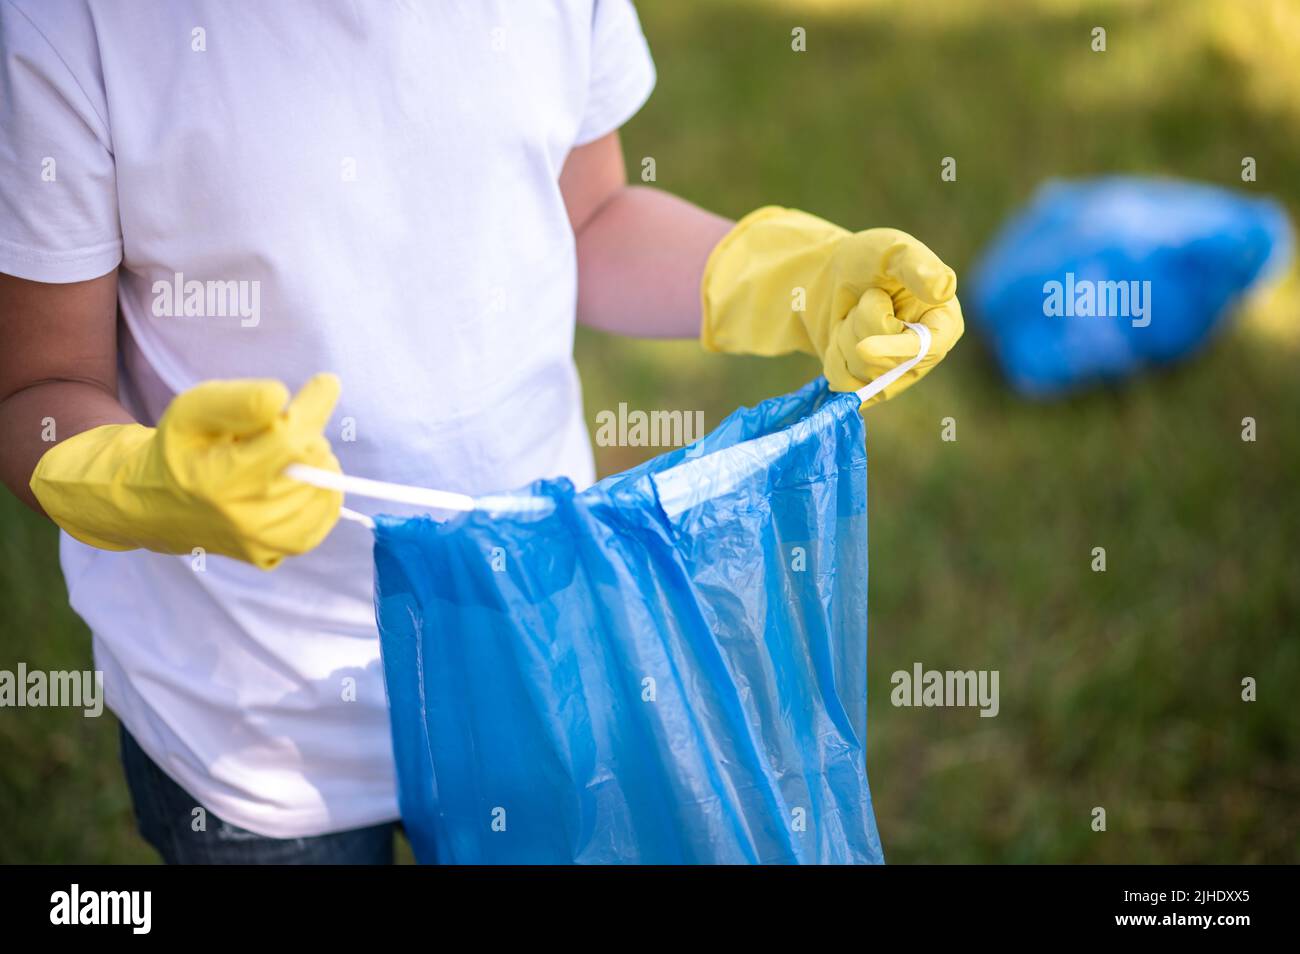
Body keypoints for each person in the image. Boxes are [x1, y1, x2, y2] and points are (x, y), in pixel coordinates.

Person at [0, 0, 962, 863]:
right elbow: (39, 388)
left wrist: (800, 279)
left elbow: (590, 215)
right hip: (253, 720)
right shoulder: (74, 25)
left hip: (535, 629)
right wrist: (145, 481)